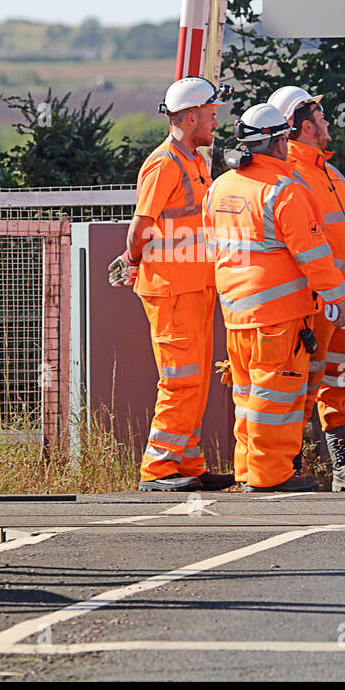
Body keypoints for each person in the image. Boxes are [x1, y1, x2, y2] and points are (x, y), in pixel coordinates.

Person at [203, 103, 345, 492]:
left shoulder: (220, 186)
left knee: (248, 395)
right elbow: (313, 253)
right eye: (285, 139)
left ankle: (248, 469)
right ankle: (272, 474)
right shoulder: (284, 190)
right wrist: (336, 296)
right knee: (277, 394)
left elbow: (213, 244)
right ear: (278, 141)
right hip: (279, 313)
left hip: (236, 311)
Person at [109, 76, 235, 492]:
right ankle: (159, 469)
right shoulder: (164, 164)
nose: (216, 123)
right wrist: (131, 260)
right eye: (212, 116)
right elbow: (140, 227)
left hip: (193, 288)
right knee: (180, 380)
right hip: (171, 291)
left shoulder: (194, 161)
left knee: (194, 381)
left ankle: (188, 462)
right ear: (191, 116)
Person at [268, 85, 345, 491]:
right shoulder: (291, 176)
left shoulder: (330, 174)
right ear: (303, 123)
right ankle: (289, 465)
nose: (328, 121)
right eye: (321, 115)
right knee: (305, 383)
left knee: (342, 380)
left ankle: (343, 468)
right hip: (316, 303)